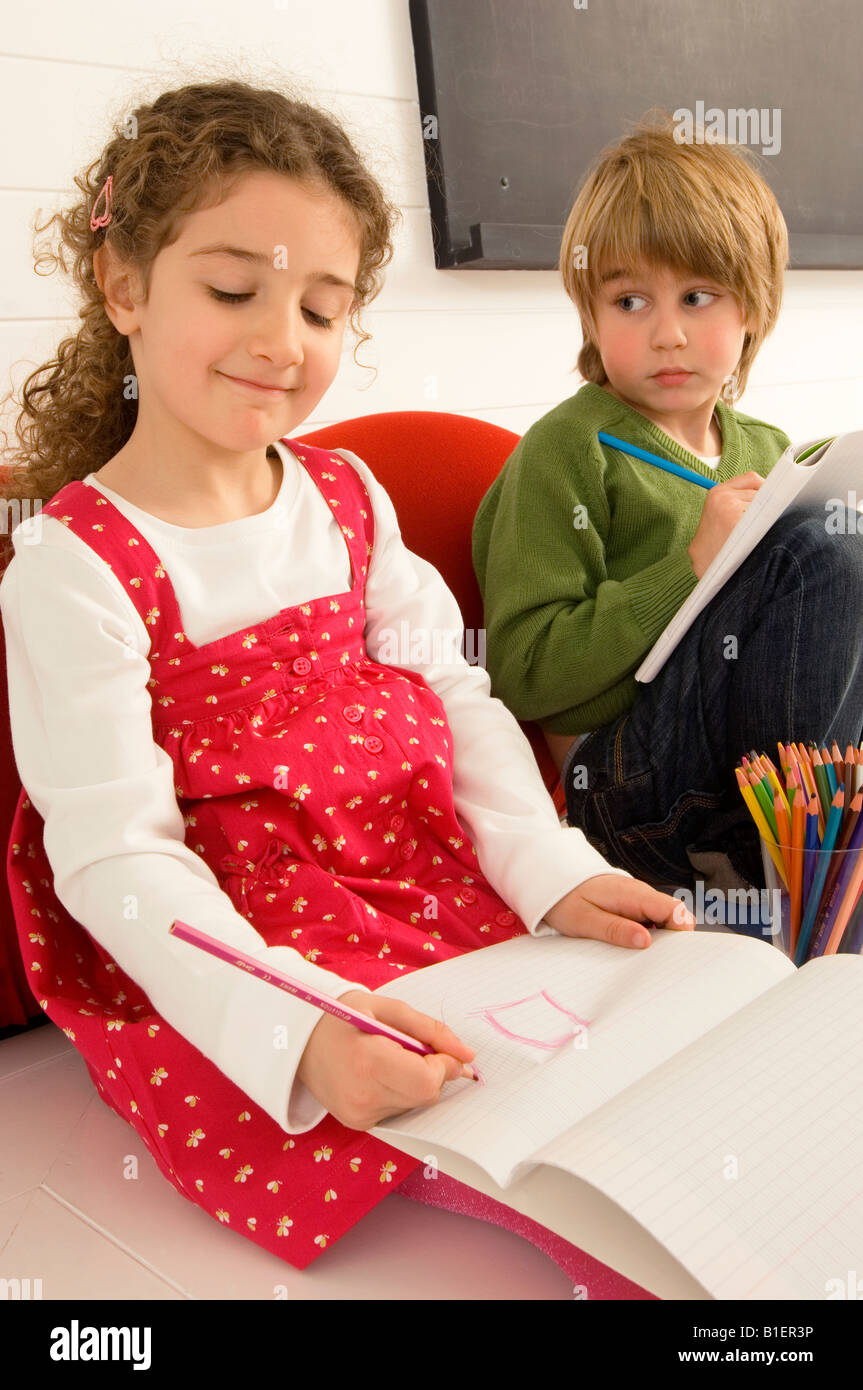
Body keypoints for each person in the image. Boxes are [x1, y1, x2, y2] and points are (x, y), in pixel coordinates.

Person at [0, 79, 693, 1278]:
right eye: (232, 291)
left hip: (426, 881)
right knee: (526, 1164)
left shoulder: (346, 495)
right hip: (243, 949)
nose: (281, 341)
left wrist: (550, 869)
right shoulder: (73, 566)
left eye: (322, 309)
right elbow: (116, 858)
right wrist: (296, 1029)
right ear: (123, 286)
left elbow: (461, 699)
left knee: (647, 1070)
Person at [472, 110, 863, 896]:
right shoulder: (568, 451)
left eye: (696, 296)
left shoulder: (764, 447)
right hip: (623, 786)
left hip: (739, 767)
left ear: (749, 309)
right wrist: (688, 569)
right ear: (589, 314)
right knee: (819, 548)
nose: (667, 335)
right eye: (628, 302)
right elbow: (521, 672)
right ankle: (814, 877)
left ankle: (820, 858)